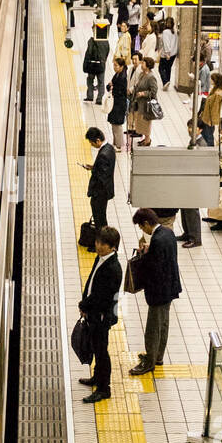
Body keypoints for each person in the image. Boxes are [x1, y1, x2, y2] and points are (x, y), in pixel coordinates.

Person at [129, 208, 182, 375]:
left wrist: (143, 257)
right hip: (170, 287)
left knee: (153, 327)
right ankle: (158, 356)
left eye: (141, 227)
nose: (142, 230)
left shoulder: (157, 240)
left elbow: (154, 268)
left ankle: (149, 361)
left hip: (159, 291)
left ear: (146, 223)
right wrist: (150, 250)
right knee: (163, 323)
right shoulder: (167, 233)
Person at [77, 226, 123, 404]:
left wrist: (84, 305)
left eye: (103, 244)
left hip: (101, 316)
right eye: (97, 242)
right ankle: (97, 378)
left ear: (113, 247)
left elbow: (101, 296)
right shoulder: (102, 258)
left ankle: (104, 389)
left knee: (102, 352)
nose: (98, 246)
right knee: (97, 348)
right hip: (94, 313)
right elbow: (92, 283)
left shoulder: (113, 268)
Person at [82, 126, 116, 233]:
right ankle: (102, 238)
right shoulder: (110, 148)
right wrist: (93, 166)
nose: (91, 145)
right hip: (105, 191)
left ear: (98, 140)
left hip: (100, 192)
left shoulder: (103, 155)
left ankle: (101, 240)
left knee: (99, 218)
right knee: (101, 216)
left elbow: (102, 175)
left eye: (92, 143)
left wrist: (94, 170)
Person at [133, 56, 159, 147]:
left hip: (147, 104)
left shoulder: (151, 77)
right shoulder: (142, 74)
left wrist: (143, 93)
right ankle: (145, 138)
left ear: (148, 65)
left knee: (146, 122)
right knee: (141, 121)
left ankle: (147, 140)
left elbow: (154, 91)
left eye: (143, 63)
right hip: (140, 103)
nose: (141, 64)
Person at [106, 55, 129, 149]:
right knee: (113, 124)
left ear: (122, 66)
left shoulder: (123, 77)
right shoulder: (117, 75)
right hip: (115, 104)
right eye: (114, 65)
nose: (114, 67)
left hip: (119, 104)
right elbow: (109, 86)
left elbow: (120, 91)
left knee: (117, 125)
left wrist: (112, 87)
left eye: (116, 65)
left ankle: (119, 145)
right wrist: (110, 86)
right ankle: (115, 142)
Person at [82, 26, 110, 104]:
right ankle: (99, 98)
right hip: (101, 65)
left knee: (90, 79)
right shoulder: (106, 41)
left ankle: (90, 96)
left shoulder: (91, 41)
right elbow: (107, 52)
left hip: (92, 64)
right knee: (101, 82)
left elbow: (89, 53)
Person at [199, 71, 222, 145]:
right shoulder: (214, 90)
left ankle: (210, 151)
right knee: (204, 135)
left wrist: (211, 121)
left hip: (209, 120)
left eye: (212, 79)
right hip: (206, 118)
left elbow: (214, 109)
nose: (210, 80)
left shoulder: (217, 94)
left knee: (209, 137)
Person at [126, 51, 144, 138]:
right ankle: (131, 128)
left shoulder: (140, 70)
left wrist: (131, 89)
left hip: (136, 94)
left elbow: (138, 83)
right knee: (130, 111)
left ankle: (137, 130)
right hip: (129, 94)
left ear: (140, 60)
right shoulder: (131, 68)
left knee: (136, 112)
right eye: (133, 59)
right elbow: (128, 80)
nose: (134, 61)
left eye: (136, 59)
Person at [159, 16, 178, 88]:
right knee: (168, 68)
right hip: (174, 53)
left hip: (167, 54)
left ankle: (165, 82)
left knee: (160, 68)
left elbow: (166, 43)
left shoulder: (165, 32)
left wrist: (167, 53)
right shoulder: (174, 32)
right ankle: (167, 82)